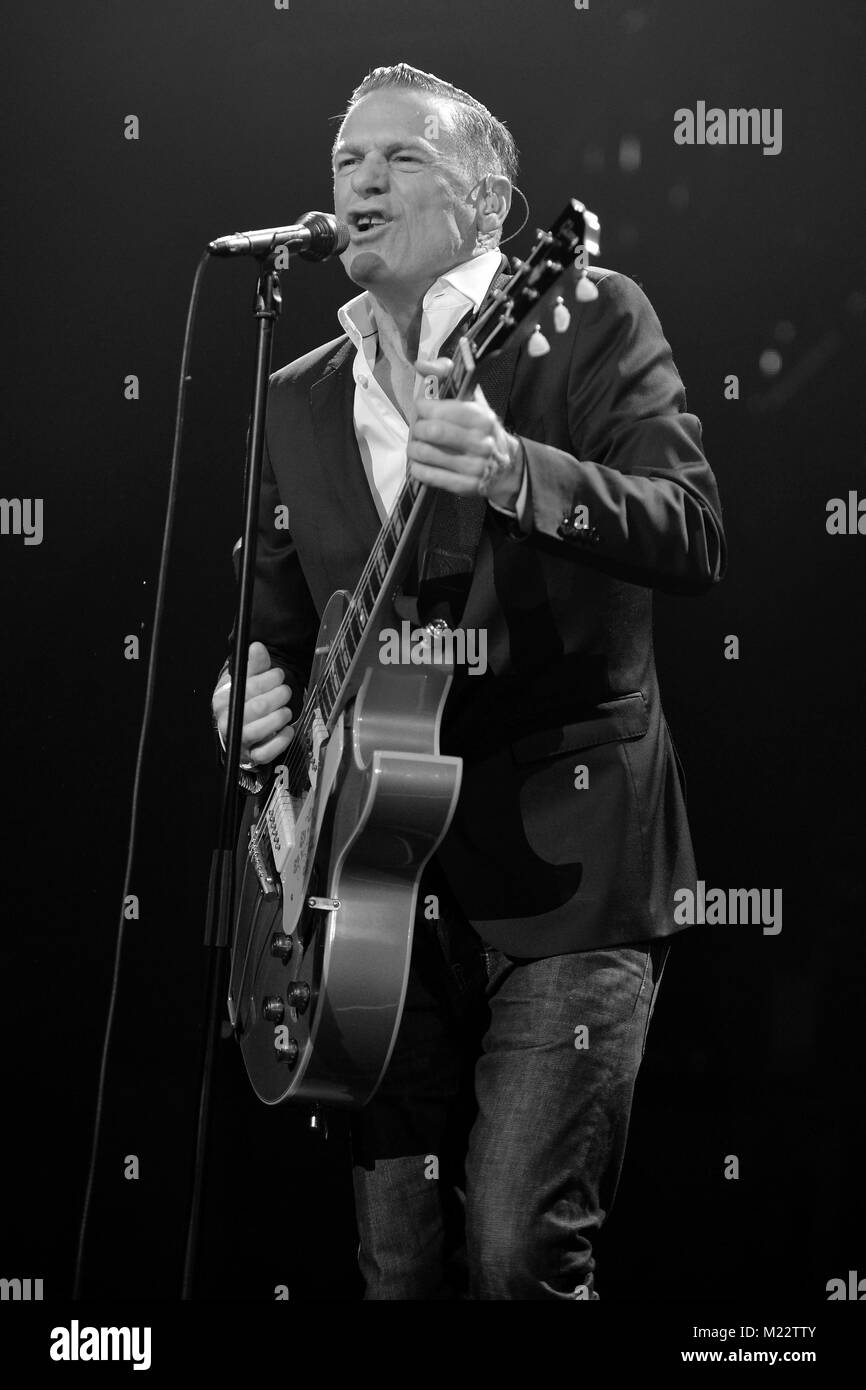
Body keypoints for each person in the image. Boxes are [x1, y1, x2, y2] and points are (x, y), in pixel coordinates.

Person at [211, 63, 726, 1300]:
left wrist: (515, 474)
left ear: (488, 202)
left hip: (567, 867)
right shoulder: (297, 396)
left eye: (397, 159)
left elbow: (689, 530)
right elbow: (272, 623)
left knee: (515, 1250)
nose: (358, 182)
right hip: (364, 887)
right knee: (396, 1266)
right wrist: (242, 697)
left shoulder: (588, 317)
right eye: (345, 161)